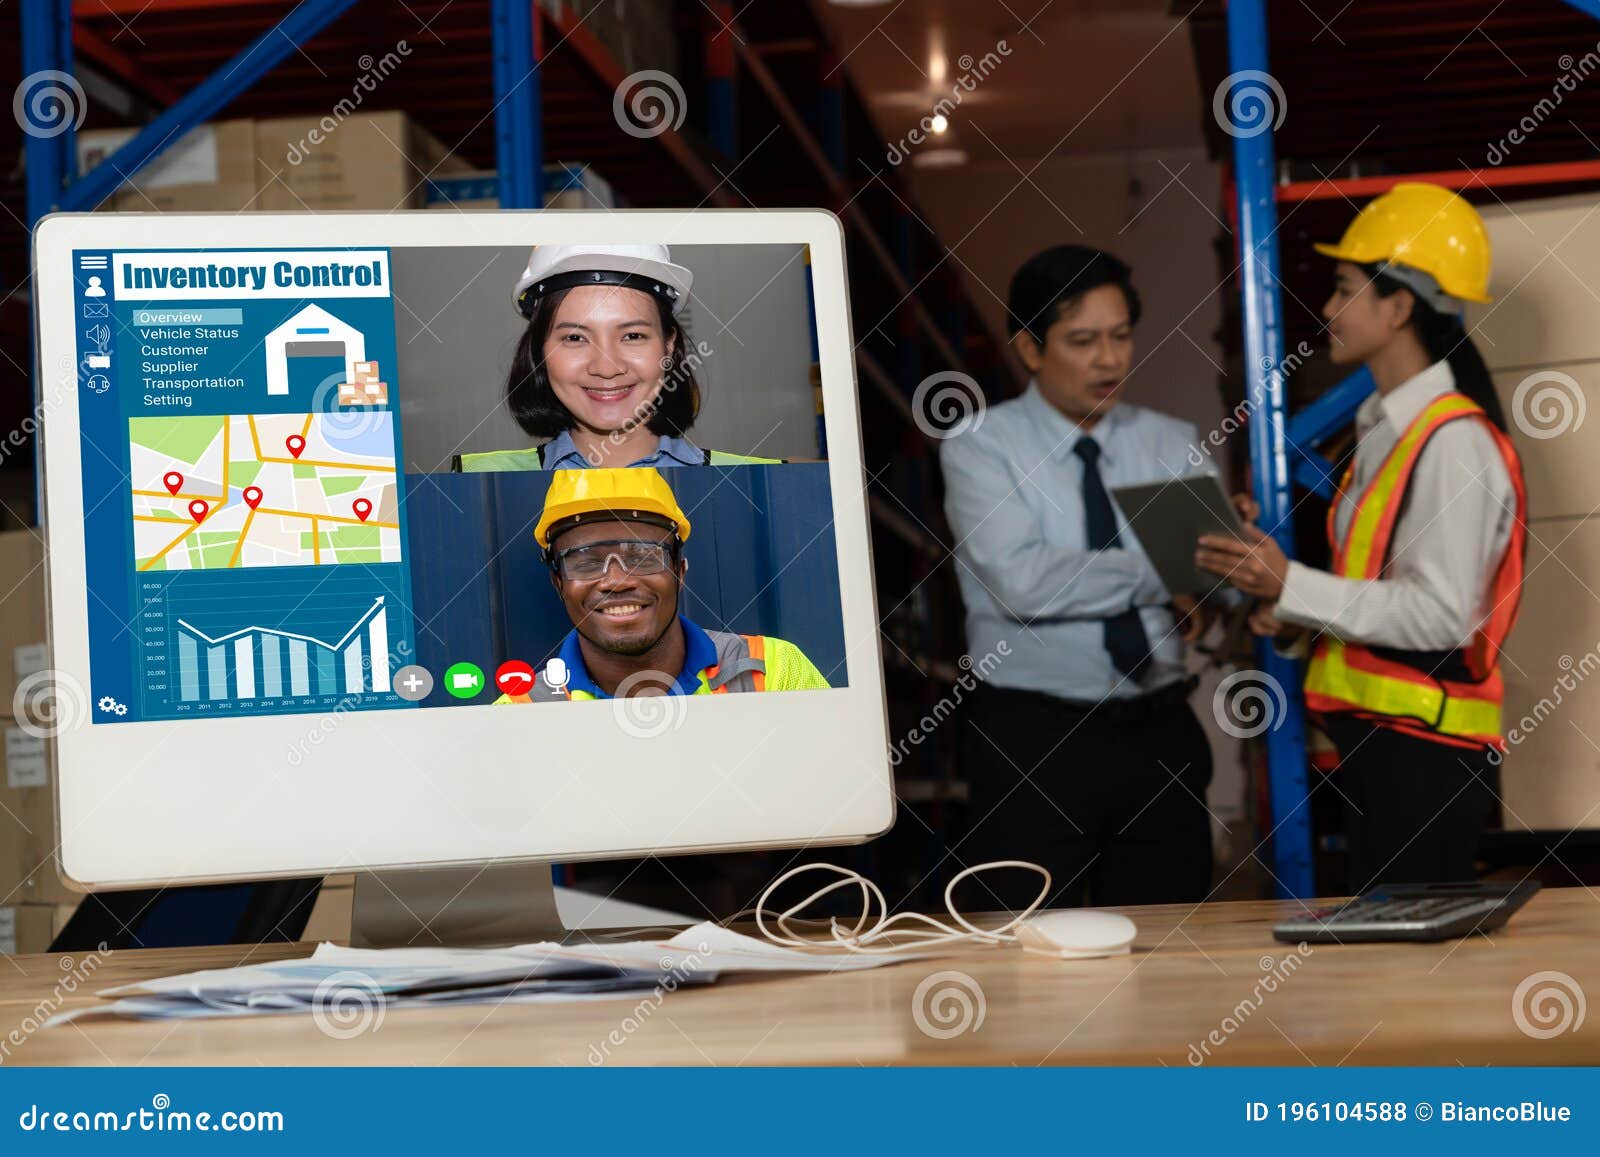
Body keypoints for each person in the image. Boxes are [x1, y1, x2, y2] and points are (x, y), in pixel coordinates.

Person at [1195, 182, 1526, 893]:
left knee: (1412, 988)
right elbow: (1381, 597)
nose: (1328, 310)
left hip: (1427, 757)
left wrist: (1291, 582)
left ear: (1399, 306)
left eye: (1346, 289)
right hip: (1382, 748)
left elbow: (1440, 614)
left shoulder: (1454, 441)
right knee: (1391, 980)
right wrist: (1286, 609)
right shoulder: (1385, 430)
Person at [940, 244, 1223, 909]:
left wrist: (1222, 567)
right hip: (1034, 742)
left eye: (1122, 336)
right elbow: (1025, 581)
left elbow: (1212, 576)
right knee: (1032, 950)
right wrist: (1170, 569)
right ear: (1031, 348)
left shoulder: (1170, 440)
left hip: (1160, 732)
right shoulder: (981, 444)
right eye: (1083, 340)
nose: (1110, 359)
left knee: (1173, 948)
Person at [496, 467, 831, 701]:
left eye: (643, 556)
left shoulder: (773, 671)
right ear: (558, 584)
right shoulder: (521, 709)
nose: (617, 581)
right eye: (586, 561)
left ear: (680, 571)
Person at [455, 244, 782, 472]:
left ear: (668, 346)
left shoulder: (757, 483)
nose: (607, 368)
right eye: (575, 338)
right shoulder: (478, 482)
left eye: (633, 336)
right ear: (540, 350)